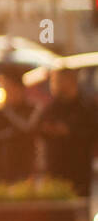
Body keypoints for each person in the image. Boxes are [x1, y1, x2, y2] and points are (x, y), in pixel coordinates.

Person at [32, 67, 98, 200]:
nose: (54, 85)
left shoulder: (86, 107)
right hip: (54, 169)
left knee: (79, 209)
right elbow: (35, 128)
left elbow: (93, 131)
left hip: (79, 169)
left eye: (58, 81)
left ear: (71, 81)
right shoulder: (50, 107)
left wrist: (70, 132)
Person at [0, 72, 36, 184]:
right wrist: (8, 134)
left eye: (8, 87)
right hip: (0, 170)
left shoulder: (30, 109)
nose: (6, 91)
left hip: (24, 168)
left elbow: (28, 129)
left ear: (18, 88)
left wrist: (9, 112)